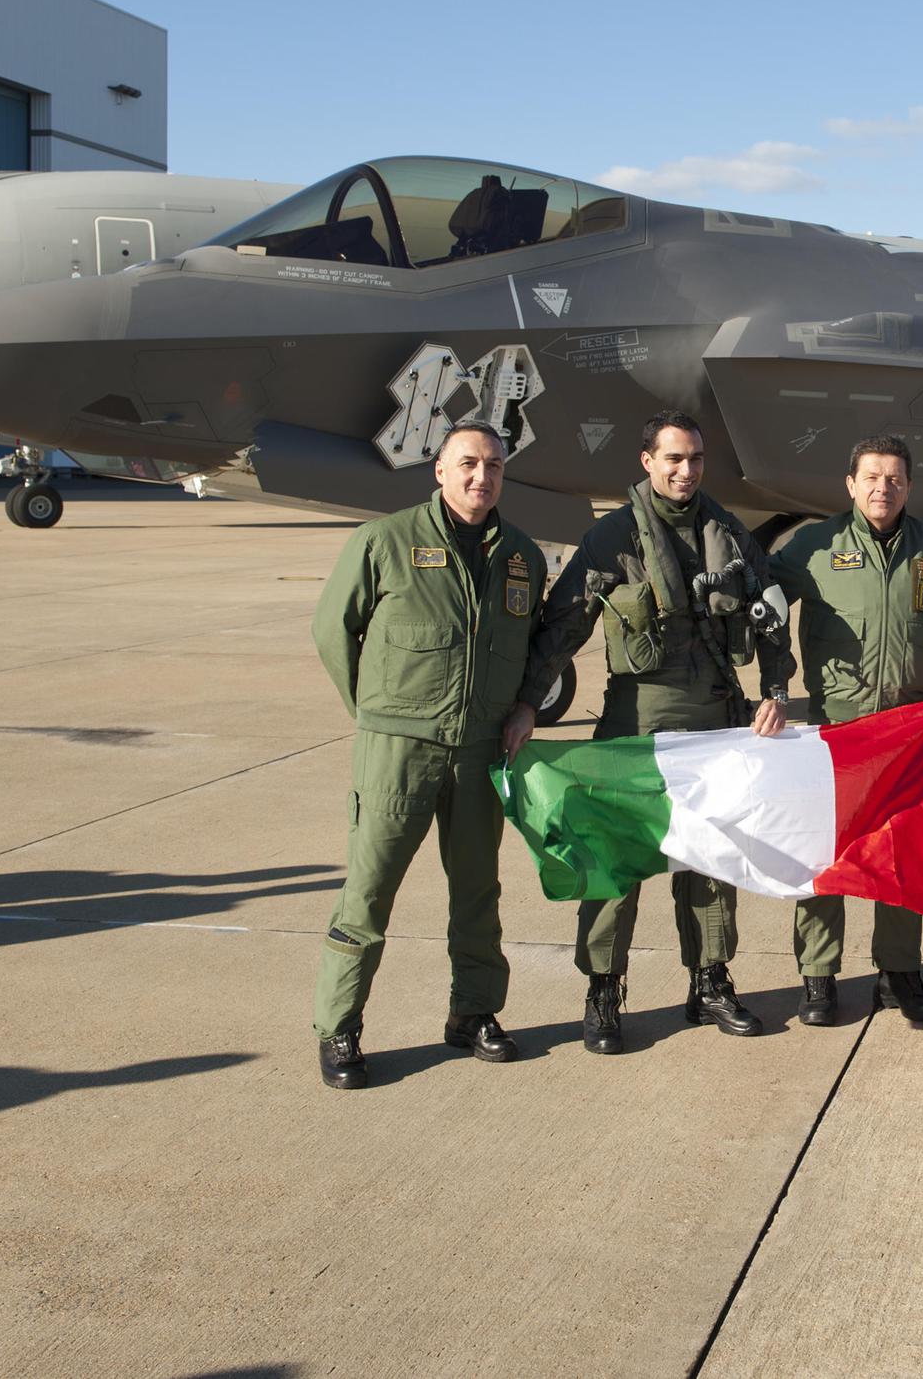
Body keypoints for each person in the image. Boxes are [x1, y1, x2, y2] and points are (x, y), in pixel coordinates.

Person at [509, 410, 795, 1055]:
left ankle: (709, 981)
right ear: (647, 461)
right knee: (614, 860)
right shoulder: (612, 538)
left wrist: (776, 690)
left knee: (712, 858)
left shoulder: (730, 534)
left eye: (695, 458)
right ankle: (603, 990)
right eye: (673, 459)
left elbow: (772, 617)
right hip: (636, 721)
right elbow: (565, 625)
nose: (686, 471)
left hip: (716, 718)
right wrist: (528, 702)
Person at [308, 422, 548, 1088]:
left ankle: (473, 1013)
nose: (481, 477)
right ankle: (339, 1027)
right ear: (439, 471)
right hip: (399, 750)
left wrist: (524, 705)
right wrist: (377, 710)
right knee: (369, 891)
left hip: (479, 750)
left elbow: (532, 647)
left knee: (477, 891)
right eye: (467, 463)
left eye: (493, 466)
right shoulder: (384, 541)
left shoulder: (522, 556)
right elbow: (333, 629)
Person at [771, 435, 923, 1026]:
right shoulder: (815, 546)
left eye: (894, 479)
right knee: (827, 856)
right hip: (836, 732)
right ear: (850, 484)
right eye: (871, 477)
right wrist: (774, 682)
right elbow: (763, 609)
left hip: (906, 730)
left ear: (909, 487)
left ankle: (899, 973)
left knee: (902, 855)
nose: (883, 488)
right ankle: (818, 977)